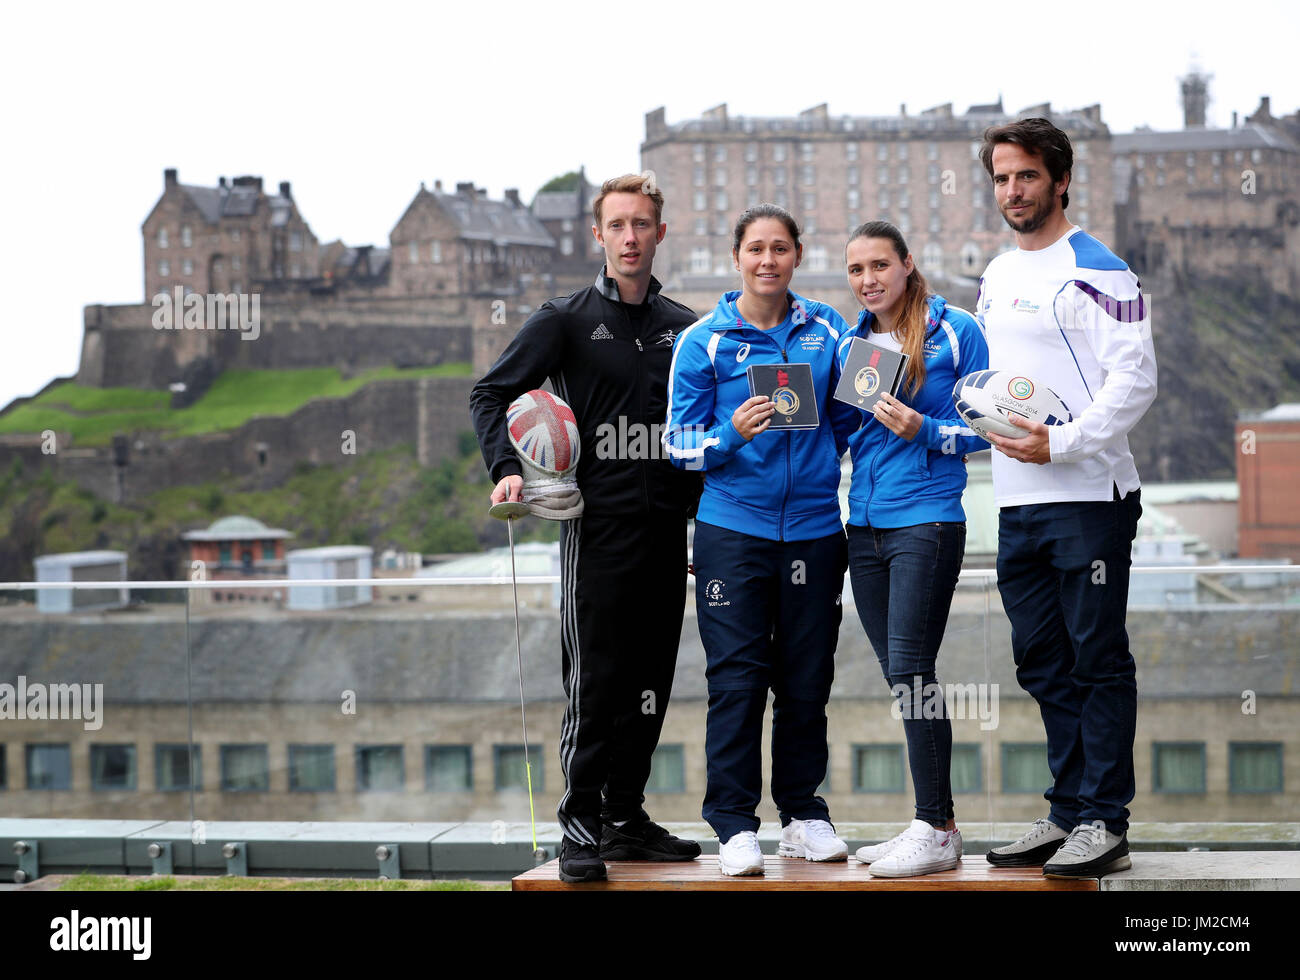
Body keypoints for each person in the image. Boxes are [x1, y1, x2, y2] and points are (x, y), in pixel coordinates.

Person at [469, 174, 703, 883]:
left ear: (660, 234)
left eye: (642, 225)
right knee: (596, 683)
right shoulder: (563, 319)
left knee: (651, 682)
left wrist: (703, 514)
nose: (630, 237)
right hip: (595, 532)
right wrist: (506, 467)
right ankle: (580, 826)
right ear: (599, 235)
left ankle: (626, 819)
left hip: (668, 531)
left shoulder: (684, 326)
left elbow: (696, 426)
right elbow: (490, 390)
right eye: (617, 225)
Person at [975, 118, 1157, 878]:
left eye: (1026, 176)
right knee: (1042, 664)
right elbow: (998, 377)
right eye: (1002, 178)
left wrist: (1065, 441)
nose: (1013, 191)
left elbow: (1135, 379)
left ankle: (1105, 822)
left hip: (1089, 496)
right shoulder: (995, 272)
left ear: (1059, 179)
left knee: (1097, 660)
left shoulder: (1102, 269)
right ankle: (1068, 810)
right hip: (1016, 503)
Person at [662, 204, 858, 876]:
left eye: (779, 248)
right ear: (736, 258)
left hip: (814, 532)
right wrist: (730, 437)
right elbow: (676, 446)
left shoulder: (828, 329)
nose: (767, 260)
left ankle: (803, 815)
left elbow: (852, 419)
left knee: (806, 681)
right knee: (738, 682)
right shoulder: (704, 341)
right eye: (755, 249)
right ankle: (735, 825)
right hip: (732, 534)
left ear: (798, 255)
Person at [835, 221, 989, 877]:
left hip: (925, 521)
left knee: (911, 671)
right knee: (904, 681)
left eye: (879, 265)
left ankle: (939, 826)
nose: (868, 279)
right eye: (856, 269)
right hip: (862, 526)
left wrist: (926, 429)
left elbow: (991, 427)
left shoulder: (956, 330)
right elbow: (844, 436)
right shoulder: (853, 342)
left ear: (906, 265)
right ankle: (927, 821)